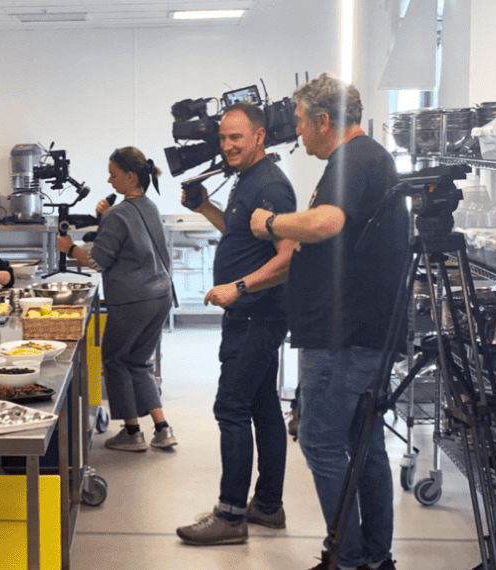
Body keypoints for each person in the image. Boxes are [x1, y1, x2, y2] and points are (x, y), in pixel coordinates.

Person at [250, 73, 406, 570]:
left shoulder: (351, 160)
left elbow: (326, 222)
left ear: (323, 121)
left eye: (300, 123)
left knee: (320, 440)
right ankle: (374, 558)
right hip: (364, 332)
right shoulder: (371, 159)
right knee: (365, 445)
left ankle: (348, 556)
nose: (296, 133)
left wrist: (270, 223)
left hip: (344, 337)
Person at [175, 104, 298, 545]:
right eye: (223, 138)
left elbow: (288, 257)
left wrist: (239, 287)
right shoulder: (248, 179)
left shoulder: (271, 186)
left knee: (230, 408)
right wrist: (204, 206)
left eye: (236, 138)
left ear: (260, 136)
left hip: (255, 314)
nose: (227, 146)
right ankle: (267, 506)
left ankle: (230, 516)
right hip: (253, 314)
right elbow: (241, 232)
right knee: (263, 408)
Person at [56, 147, 176, 451]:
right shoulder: (148, 207)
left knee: (115, 359)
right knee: (138, 361)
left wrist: (69, 248)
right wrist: (102, 217)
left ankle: (132, 432)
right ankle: (162, 428)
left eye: (113, 175)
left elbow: (99, 261)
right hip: (160, 295)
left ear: (130, 176)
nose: (109, 182)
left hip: (133, 299)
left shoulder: (119, 213)